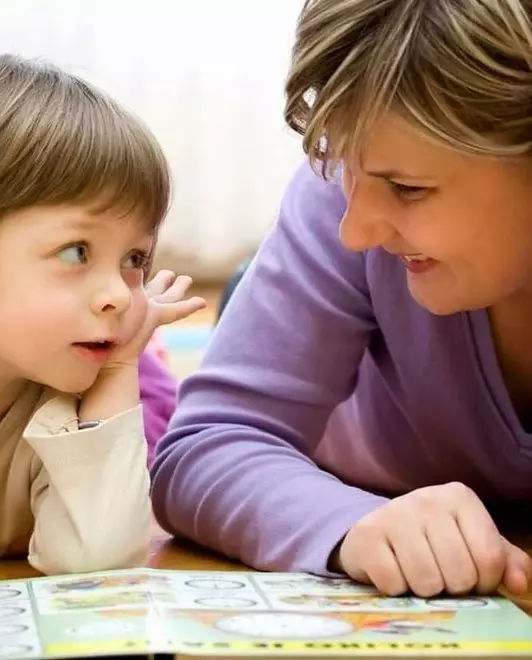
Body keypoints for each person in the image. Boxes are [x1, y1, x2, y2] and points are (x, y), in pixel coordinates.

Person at [151, 0, 532, 601]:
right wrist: (349, 524)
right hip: (339, 427)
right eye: (345, 165)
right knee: (274, 289)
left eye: (409, 188)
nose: (357, 232)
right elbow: (205, 448)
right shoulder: (335, 206)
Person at [0, 53, 205, 617]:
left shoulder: (80, 388)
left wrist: (121, 370)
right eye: (76, 251)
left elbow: (96, 562)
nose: (121, 293)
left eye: (134, 258)